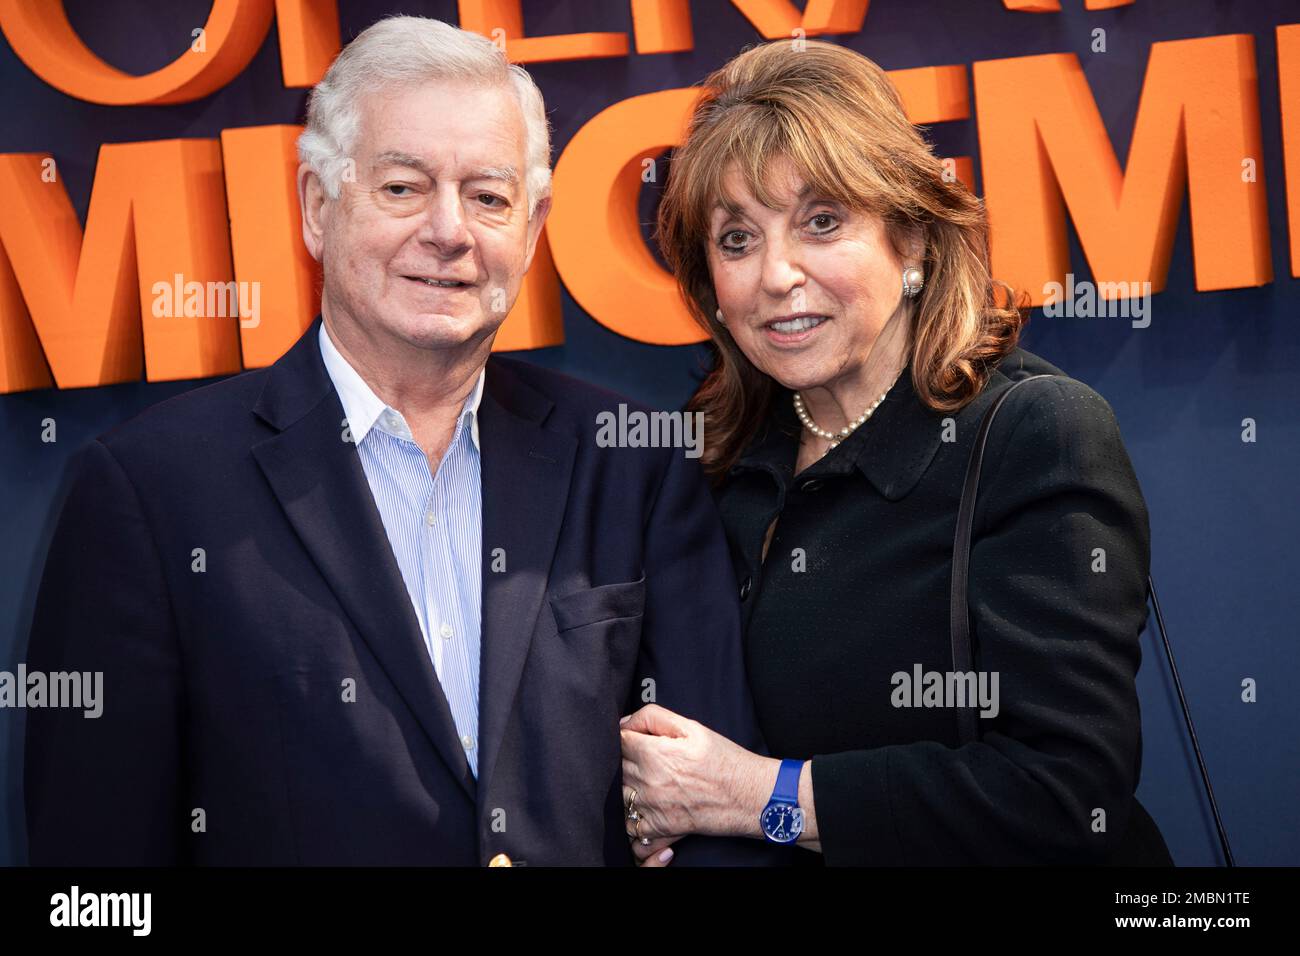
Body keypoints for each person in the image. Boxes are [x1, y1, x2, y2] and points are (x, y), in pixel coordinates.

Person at [24, 16, 771, 866]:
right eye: (403, 187)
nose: (449, 231)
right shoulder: (150, 492)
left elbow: (722, 823)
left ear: (531, 230)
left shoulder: (632, 464)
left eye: (488, 196)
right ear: (317, 205)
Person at [620, 39, 1173, 866]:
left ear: (910, 240)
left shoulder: (1035, 434)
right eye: (737, 240)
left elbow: (1064, 791)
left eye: (822, 222)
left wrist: (758, 797)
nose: (777, 275)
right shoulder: (717, 459)